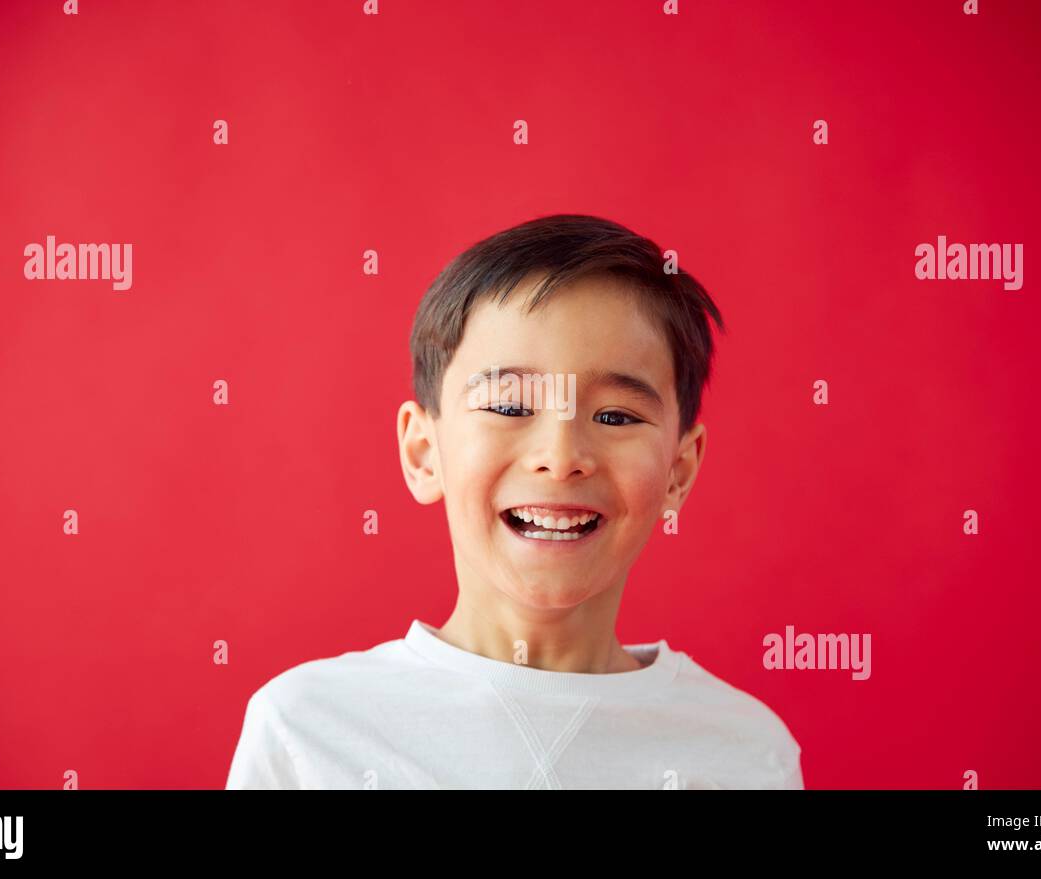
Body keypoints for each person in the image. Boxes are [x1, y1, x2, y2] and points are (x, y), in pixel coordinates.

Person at [226, 214, 803, 789]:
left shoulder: (747, 753)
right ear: (426, 453)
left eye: (615, 416)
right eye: (508, 407)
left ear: (678, 470)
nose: (561, 455)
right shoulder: (306, 732)